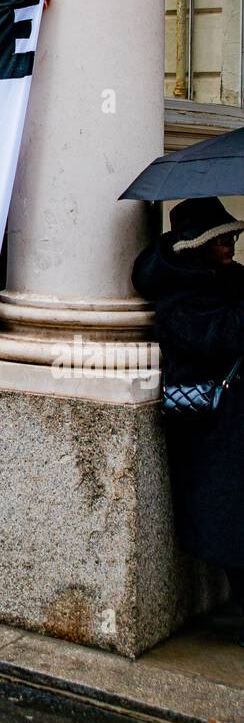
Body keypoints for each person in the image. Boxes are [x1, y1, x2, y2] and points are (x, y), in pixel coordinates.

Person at [132, 196, 244, 643]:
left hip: (230, 424)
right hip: (210, 428)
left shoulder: (226, 281)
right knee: (229, 523)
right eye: (221, 241)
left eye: (232, 238)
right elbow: (220, 338)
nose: (230, 246)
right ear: (197, 246)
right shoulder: (178, 299)